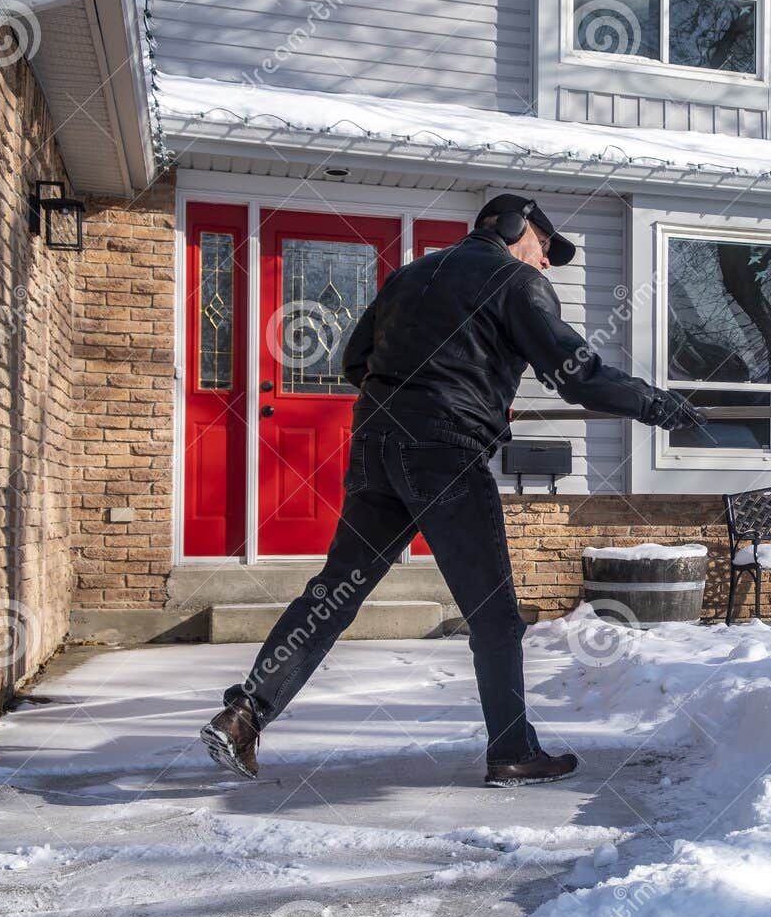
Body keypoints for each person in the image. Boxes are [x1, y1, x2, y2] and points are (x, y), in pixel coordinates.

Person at [199, 194, 705, 788]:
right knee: (493, 614)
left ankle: (245, 714)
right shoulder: (515, 283)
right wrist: (660, 405)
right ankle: (512, 751)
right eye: (545, 248)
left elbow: (354, 361)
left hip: (377, 451)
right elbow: (578, 376)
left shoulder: (408, 278)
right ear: (516, 229)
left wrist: (454, 394)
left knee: (334, 595)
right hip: (445, 456)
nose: (546, 264)